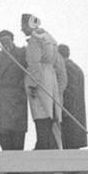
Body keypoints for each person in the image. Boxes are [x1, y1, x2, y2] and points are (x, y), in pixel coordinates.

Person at [22, 12, 63, 150]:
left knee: (40, 113)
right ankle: (49, 144)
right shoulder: (50, 39)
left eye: (23, 25)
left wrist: (33, 85)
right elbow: (58, 64)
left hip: (40, 78)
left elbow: (34, 64)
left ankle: (43, 144)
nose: (22, 29)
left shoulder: (35, 40)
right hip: (50, 76)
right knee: (50, 112)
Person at [0, 29, 29, 151]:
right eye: (2, 42)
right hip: (3, 98)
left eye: (7, 40)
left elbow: (27, 72)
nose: (5, 43)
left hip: (18, 97)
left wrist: (21, 87)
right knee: (4, 133)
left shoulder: (22, 52)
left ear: (12, 40)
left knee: (18, 133)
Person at [54, 43, 87, 149]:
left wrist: (62, 110)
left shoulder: (67, 68)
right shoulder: (75, 67)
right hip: (74, 114)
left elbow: (69, 92)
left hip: (69, 114)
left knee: (69, 146)